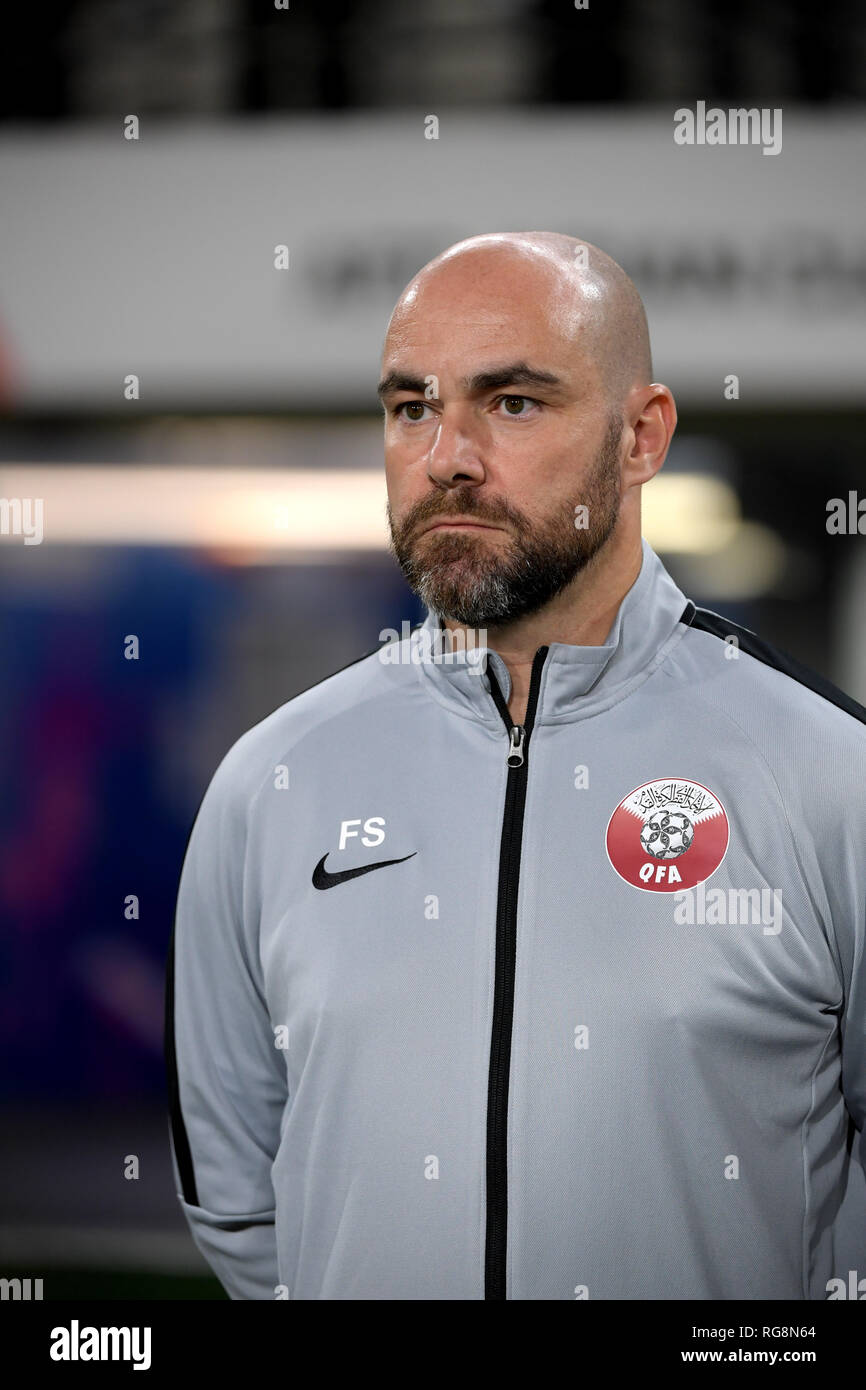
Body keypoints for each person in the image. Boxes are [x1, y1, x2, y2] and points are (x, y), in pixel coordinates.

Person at [165, 231, 866, 1300]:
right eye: (411, 408)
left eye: (513, 403)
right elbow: (242, 1204)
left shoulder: (827, 775)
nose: (447, 455)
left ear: (640, 437)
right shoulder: (271, 785)